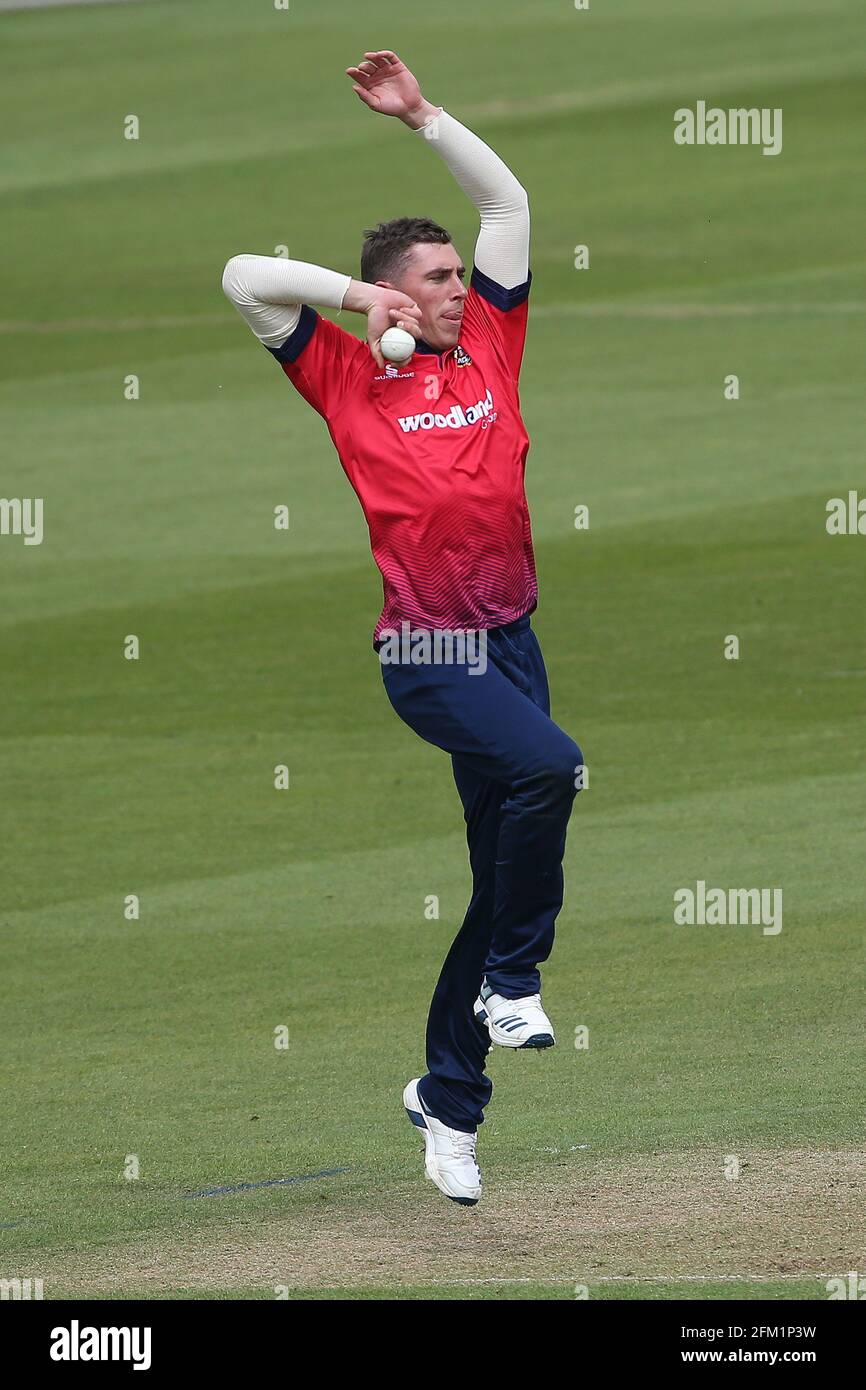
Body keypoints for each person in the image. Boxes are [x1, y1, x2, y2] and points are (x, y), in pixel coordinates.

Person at [222, 50, 584, 1206]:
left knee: (494, 875)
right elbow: (240, 277)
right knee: (553, 767)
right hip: (426, 649)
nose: (447, 287)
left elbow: (507, 205)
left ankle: (446, 1100)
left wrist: (422, 114)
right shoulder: (340, 372)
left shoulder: (491, 338)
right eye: (427, 279)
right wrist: (347, 294)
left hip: (511, 639)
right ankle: (514, 982)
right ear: (391, 293)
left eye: (447, 274)